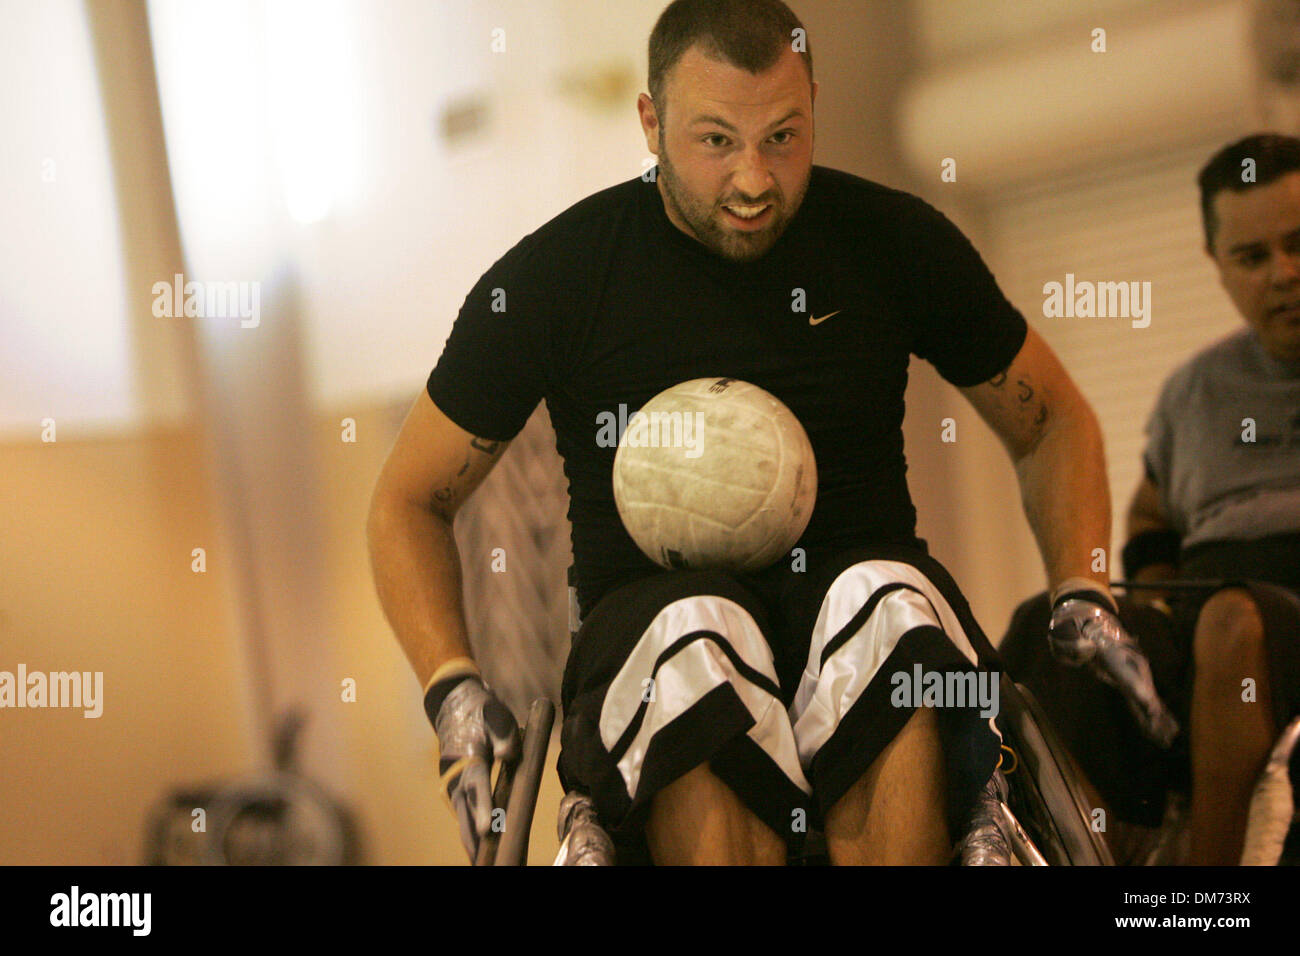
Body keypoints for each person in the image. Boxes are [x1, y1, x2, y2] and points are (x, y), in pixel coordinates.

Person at [367, 0, 1136, 865]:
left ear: (814, 102)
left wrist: (1084, 589)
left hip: (868, 600)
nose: (754, 180)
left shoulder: (894, 241)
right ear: (650, 123)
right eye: (716, 141)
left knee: (885, 606)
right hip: (652, 623)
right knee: (697, 636)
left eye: (782, 136)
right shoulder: (557, 278)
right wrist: (452, 690)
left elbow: (1053, 421)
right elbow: (408, 498)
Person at [1001, 133, 1300, 866]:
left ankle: (1205, 892)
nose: (1285, 274)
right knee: (1049, 625)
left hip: (1275, 614)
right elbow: (1148, 518)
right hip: (1208, 606)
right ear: (1219, 267)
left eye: (1299, 244)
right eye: (1254, 257)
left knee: (1233, 621)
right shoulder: (1194, 390)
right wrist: (1152, 612)